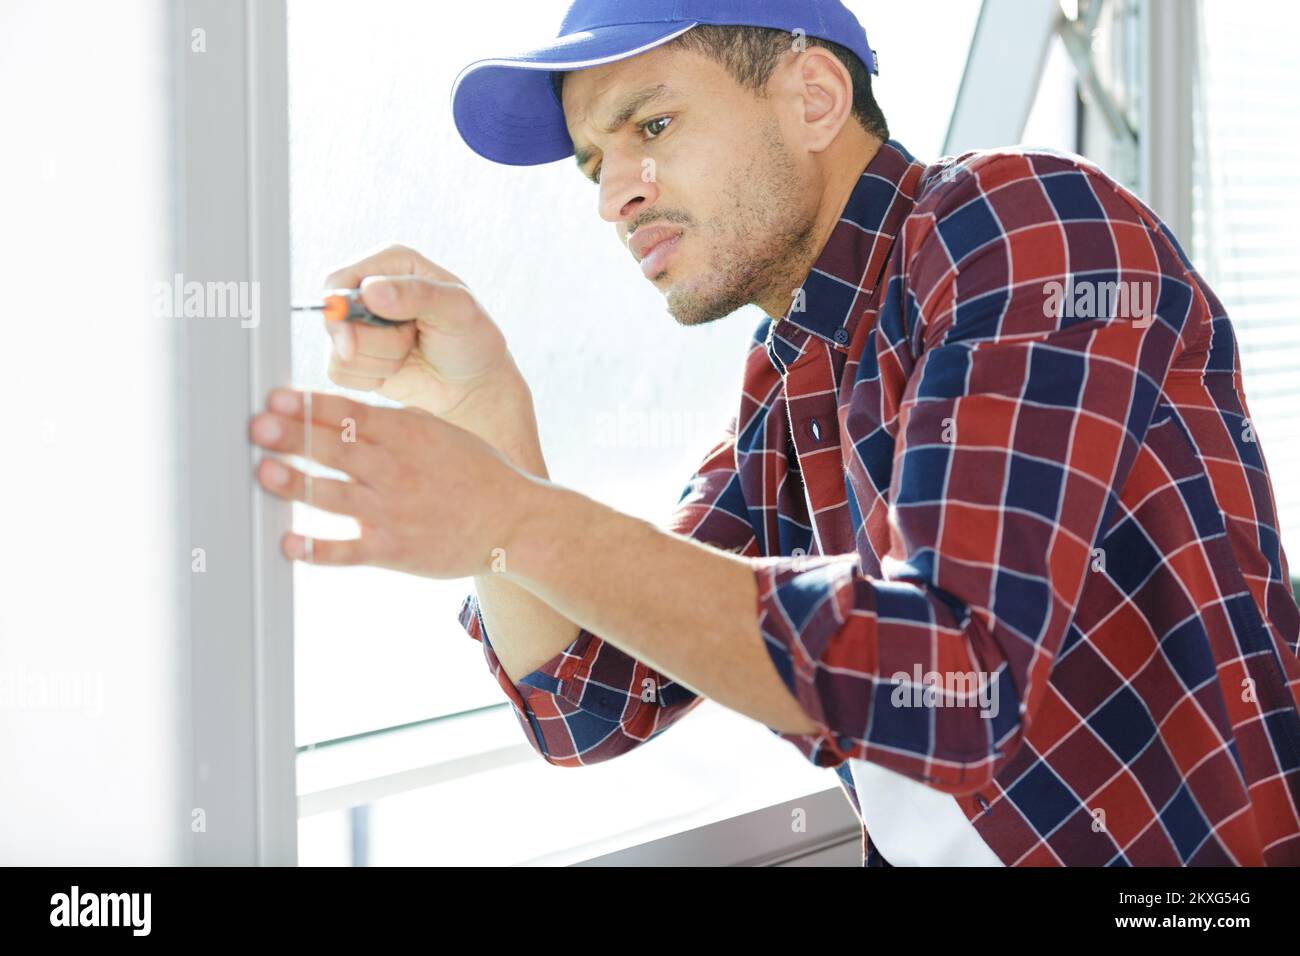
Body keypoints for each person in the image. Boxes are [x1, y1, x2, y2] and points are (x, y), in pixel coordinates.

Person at [250, 0, 1300, 866]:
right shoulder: (794, 372)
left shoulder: (1019, 224)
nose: (615, 193)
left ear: (812, 96)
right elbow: (584, 698)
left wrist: (514, 517)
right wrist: (488, 417)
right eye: (591, 164)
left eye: (650, 126)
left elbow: (954, 679)